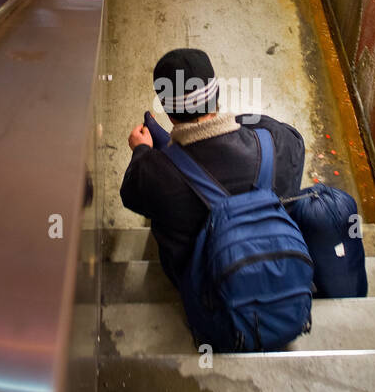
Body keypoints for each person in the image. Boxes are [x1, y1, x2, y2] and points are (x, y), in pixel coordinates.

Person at [121, 48, 305, 289]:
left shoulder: (152, 175)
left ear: (169, 112)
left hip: (205, 288)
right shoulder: (278, 140)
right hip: (279, 268)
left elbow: (131, 195)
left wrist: (143, 152)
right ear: (215, 95)